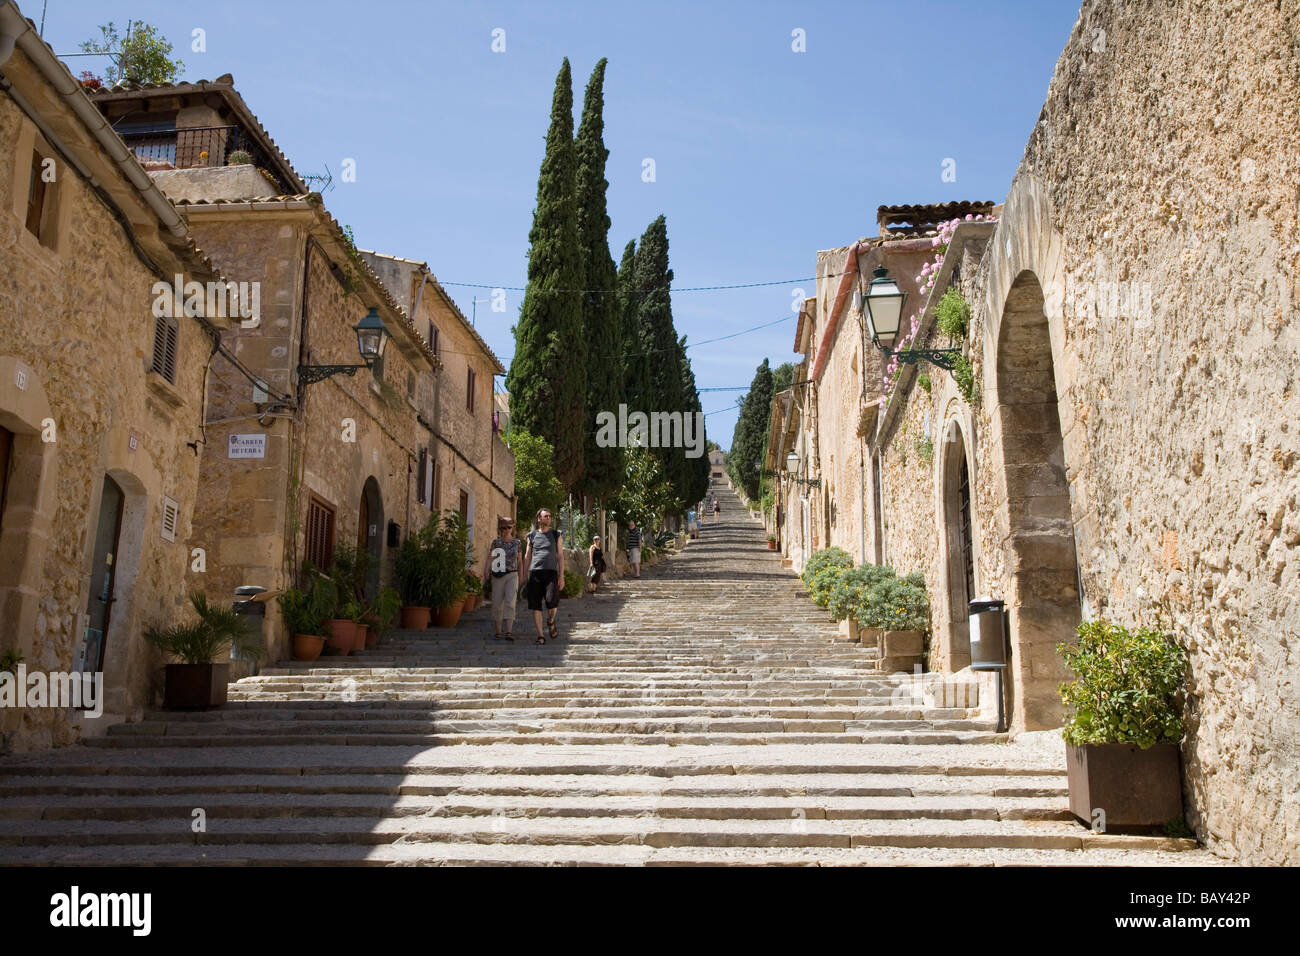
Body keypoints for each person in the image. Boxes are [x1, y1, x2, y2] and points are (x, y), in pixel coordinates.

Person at [522, 508, 563, 643]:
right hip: (535, 573)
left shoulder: (556, 534)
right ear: (539, 519)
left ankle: (550, 620)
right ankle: (540, 635)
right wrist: (524, 574)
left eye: (549, 516)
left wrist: (561, 575)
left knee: (552, 603)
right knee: (535, 605)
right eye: (545, 516)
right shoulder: (532, 536)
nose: (548, 518)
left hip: (551, 573)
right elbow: (527, 556)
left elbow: (560, 556)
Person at [482, 517, 519, 642]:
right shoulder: (496, 543)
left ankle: (509, 631)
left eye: (509, 527)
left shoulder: (517, 543)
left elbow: (520, 560)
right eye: (504, 527)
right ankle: (498, 631)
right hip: (498, 575)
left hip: (512, 574)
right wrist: (486, 569)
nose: (507, 530)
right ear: (500, 529)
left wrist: (523, 574)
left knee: (510, 601)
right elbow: (491, 557)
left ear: (512, 528)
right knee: (497, 604)